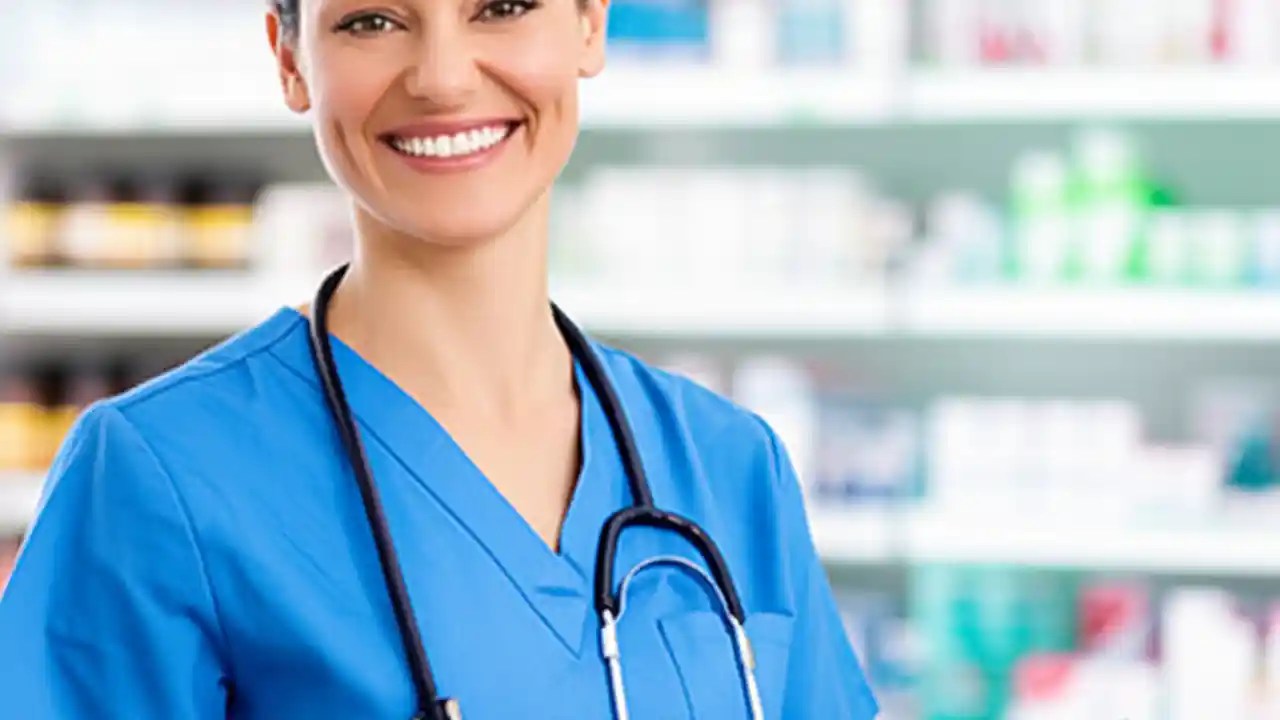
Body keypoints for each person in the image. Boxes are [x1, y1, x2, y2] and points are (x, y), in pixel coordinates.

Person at [0, 1, 880, 717]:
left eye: (501, 7)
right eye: (373, 21)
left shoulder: (730, 464)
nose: (444, 77)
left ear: (589, 23)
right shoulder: (158, 478)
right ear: (289, 57)